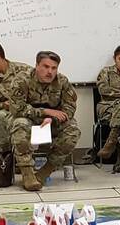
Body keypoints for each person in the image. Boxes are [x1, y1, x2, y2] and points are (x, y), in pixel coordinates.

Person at [7, 51, 79, 192]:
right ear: (36, 66)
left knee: (73, 130)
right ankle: (27, 173)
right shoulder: (22, 80)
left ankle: (44, 172)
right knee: (20, 124)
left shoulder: (62, 81)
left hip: (51, 123)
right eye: (45, 67)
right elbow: (17, 109)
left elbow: (69, 107)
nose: (49, 72)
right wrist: (45, 112)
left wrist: (51, 119)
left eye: (53, 68)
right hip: (28, 120)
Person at [93, 46, 120, 163]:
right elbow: (104, 91)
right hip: (107, 107)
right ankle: (113, 146)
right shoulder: (106, 72)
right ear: (114, 59)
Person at [0, 42, 31, 158]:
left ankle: (27, 156)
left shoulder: (23, 69)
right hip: (7, 111)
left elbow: (38, 89)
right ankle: (9, 156)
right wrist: (3, 105)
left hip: (28, 108)